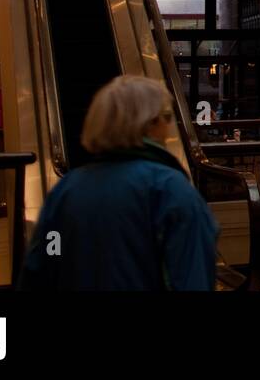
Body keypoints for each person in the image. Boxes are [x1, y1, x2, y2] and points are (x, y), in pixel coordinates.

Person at [20, 76, 218, 290]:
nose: (169, 127)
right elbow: (190, 275)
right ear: (149, 123)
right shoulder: (171, 191)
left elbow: (46, 260)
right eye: (167, 117)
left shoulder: (65, 191)